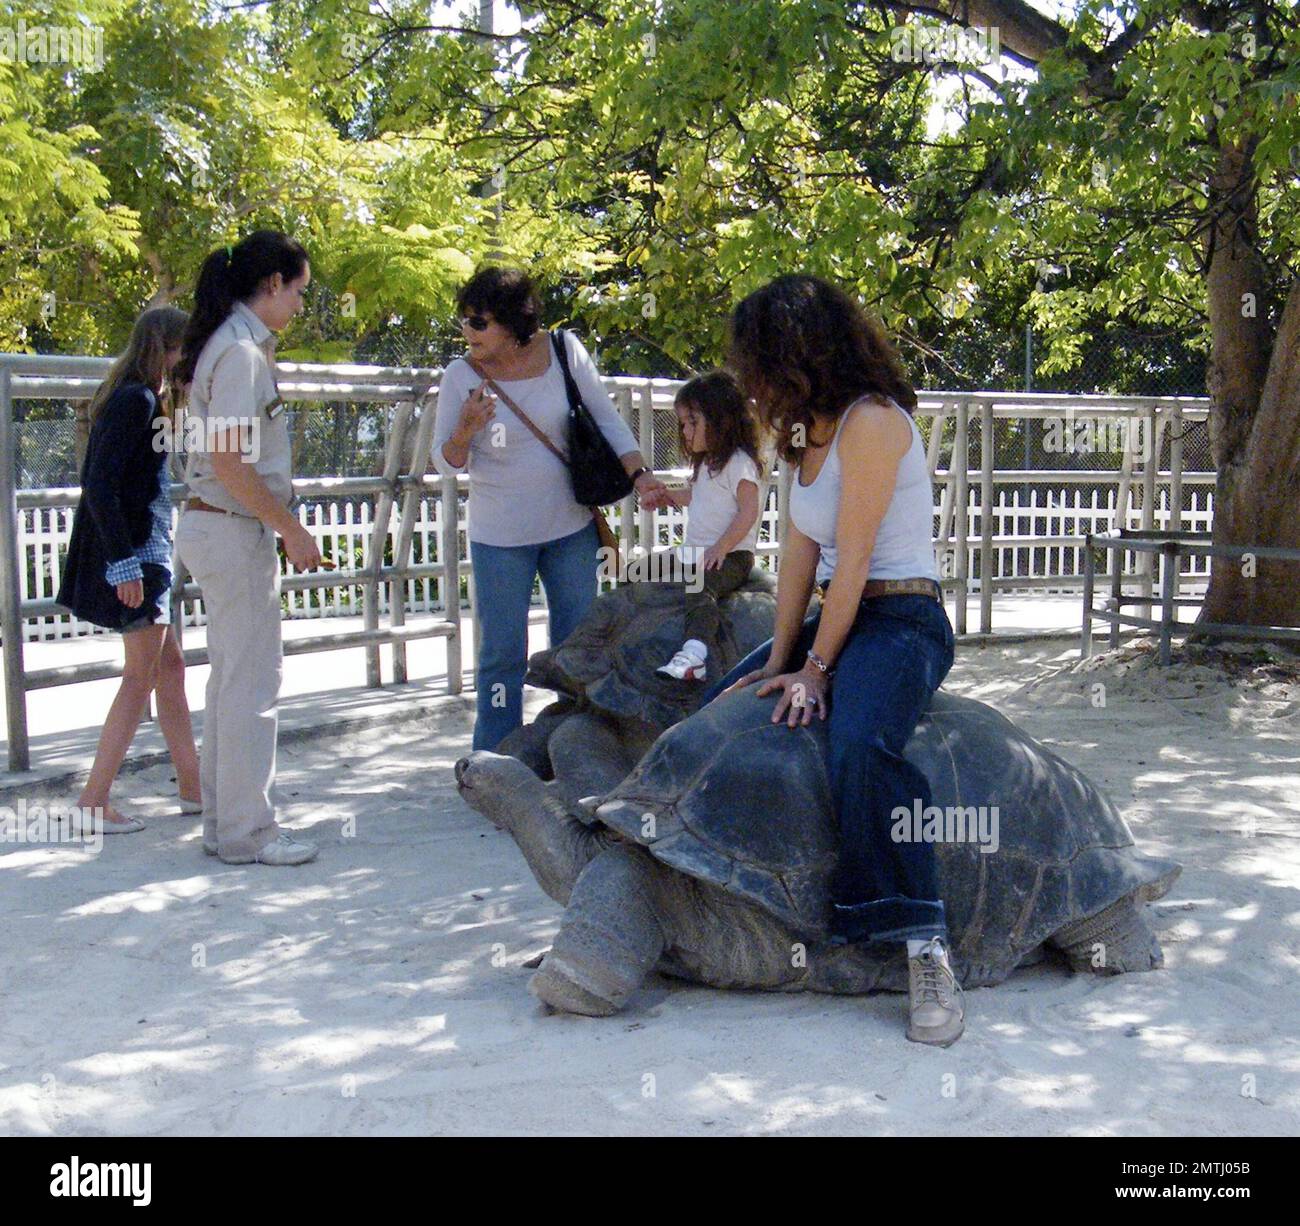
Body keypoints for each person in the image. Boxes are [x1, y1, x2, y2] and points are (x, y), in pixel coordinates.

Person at [704, 275, 962, 1046]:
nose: (746, 381)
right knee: (727, 699)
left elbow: (851, 567)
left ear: (795, 354)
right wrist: (777, 660)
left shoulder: (873, 422)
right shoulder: (803, 437)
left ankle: (925, 945)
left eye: (755, 362)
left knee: (860, 744)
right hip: (841, 616)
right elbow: (799, 561)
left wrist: (818, 671)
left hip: (902, 617)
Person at [432, 266, 669, 751]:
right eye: (464, 320)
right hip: (499, 538)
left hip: (571, 528)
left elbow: (607, 420)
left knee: (578, 645)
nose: (467, 331)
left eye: (480, 322)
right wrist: (465, 429)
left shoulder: (564, 351)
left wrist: (640, 474)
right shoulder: (460, 376)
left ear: (514, 323)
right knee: (502, 654)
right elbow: (446, 462)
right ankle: (495, 754)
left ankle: (576, 745)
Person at [173, 230, 322, 866]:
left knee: (231, 681)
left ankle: (223, 826)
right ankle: (247, 833)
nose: (298, 306)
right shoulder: (241, 355)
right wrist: (289, 527)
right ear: (270, 286)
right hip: (232, 526)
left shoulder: (225, 345)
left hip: (218, 524)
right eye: (297, 292)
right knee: (253, 683)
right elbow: (230, 462)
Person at [57, 307, 201, 833]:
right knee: (140, 677)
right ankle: (94, 800)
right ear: (167, 347)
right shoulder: (135, 401)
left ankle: (193, 784)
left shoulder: (140, 398)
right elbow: (100, 486)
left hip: (147, 551)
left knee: (170, 668)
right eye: (185, 347)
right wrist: (123, 563)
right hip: (139, 555)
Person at [643, 371, 765, 682]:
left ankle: (694, 654)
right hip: (693, 551)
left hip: (731, 555)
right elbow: (698, 497)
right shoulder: (707, 463)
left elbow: (748, 511)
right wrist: (668, 495)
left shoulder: (739, 462)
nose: (685, 431)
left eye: (692, 422)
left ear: (721, 419)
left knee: (700, 587)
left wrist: (721, 547)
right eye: (683, 423)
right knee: (640, 570)